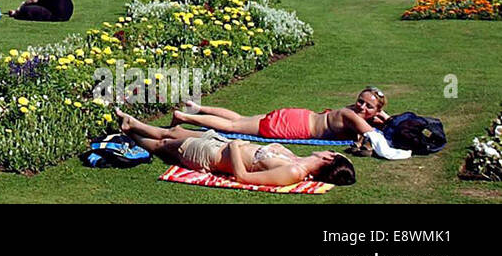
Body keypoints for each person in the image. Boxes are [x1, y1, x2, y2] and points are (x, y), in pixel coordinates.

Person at [116, 110, 357, 187]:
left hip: (213, 155)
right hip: (221, 145)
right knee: (174, 132)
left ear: (329, 158)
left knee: (163, 145)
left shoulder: (293, 172)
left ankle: (130, 130)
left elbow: (242, 177)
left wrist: (233, 147)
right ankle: (132, 124)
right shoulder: (298, 159)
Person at [170, 87, 410, 159]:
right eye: (360, 102)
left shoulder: (353, 113)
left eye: (368, 106)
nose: (362, 107)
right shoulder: (353, 116)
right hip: (294, 127)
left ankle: (198, 108)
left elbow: (378, 121)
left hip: (297, 116)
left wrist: (383, 116)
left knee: (240, 119)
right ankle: (185, 118)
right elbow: (377, 140)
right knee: (234, 127)